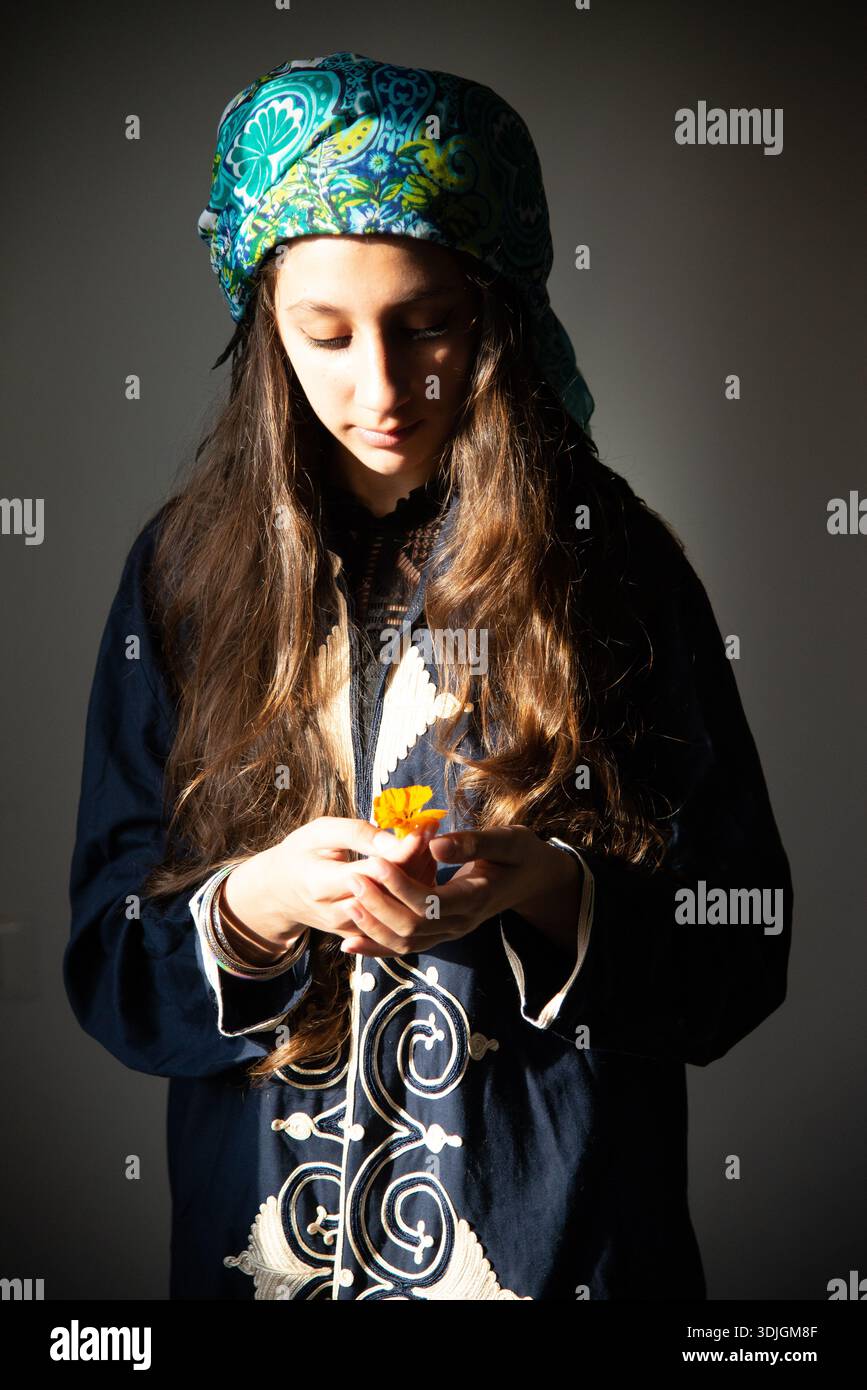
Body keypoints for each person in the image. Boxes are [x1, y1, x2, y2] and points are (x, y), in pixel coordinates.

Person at [63, 51, 792, 1301]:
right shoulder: (182, 576)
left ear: (498, 308)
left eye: (428, 324)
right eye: (326, 334)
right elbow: (110, 962)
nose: (383, 388)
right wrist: (257, 905)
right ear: (264, 323)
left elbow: (741, 944)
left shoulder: (611, 565)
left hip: (564, 1255)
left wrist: (552, 892)